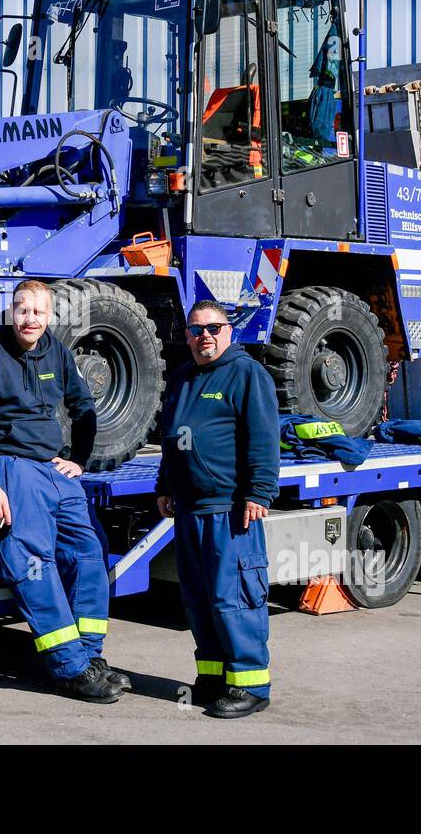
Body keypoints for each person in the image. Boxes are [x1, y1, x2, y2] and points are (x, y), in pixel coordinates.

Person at [0, 279, 130, 703]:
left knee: (88, 554)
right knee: (33, 562)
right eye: (22, 310)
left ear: (50, 315)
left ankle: (89, 656)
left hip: (54, 469)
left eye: (37, 312)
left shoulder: (57, 351)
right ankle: (70, 668)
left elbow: (83, 406)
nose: (29, 319)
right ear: (11, 311)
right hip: (11, 467)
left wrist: (80, 460)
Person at [155, 300, 280, 718]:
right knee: (199, 599)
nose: (203, 335)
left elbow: (263, 438)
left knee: (235, 599)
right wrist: (165, 485)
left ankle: (251, 685)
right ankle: (212, 677)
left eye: (213, 328)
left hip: (230, 511)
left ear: (229, 331)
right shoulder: (183, 377)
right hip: (189, 510)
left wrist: (259, 493)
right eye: (195, 329)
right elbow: (172, 438)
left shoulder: (247, 374)